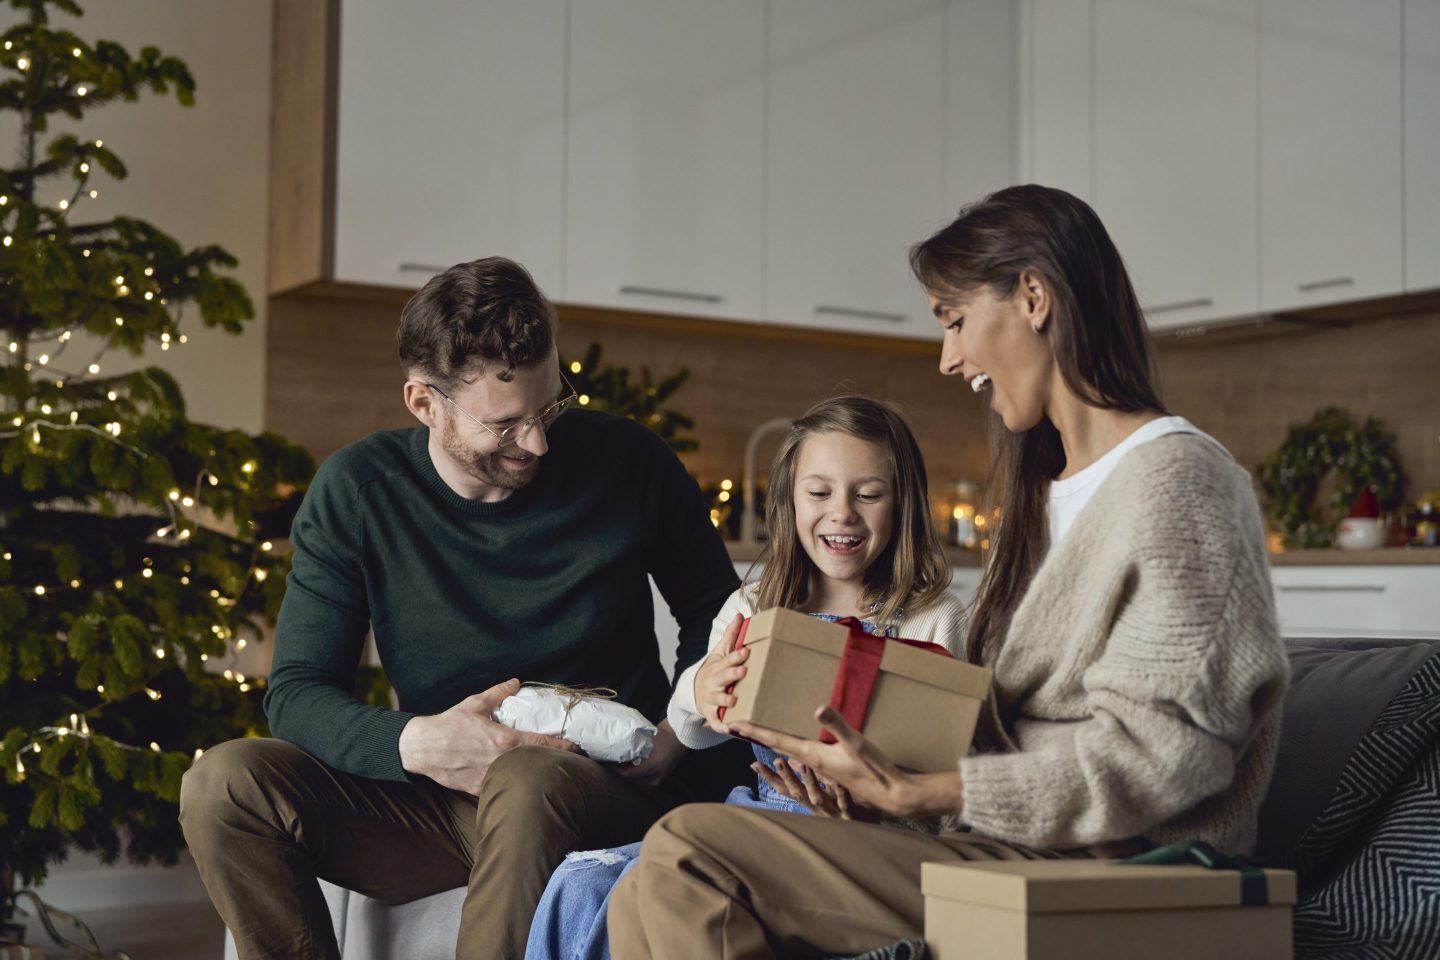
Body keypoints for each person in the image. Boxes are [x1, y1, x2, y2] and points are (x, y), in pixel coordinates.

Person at [607, 184, 1292, 959]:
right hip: (1013, 848)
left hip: (1124, 870)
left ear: (1033, 296)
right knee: (646, 881)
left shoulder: (1178, 483)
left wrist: (929, 792)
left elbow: (1167, 757)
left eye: (955, 319)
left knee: (691, 851)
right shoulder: (1047, 493)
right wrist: (879, 802)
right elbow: (1008, 737)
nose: (948, 357)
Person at [178, 256, 750, 960]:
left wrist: (675, 736)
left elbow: (724, 618)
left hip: (595, 793)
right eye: (507, 425)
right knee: (223, 783)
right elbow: (297, 694)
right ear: (425, 404)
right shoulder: (360, 491)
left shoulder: (629, 461)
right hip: (438, 801)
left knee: (528, 775)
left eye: (551, 408)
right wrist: (421, 743)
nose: (538, 442)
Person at [524, 395, 969, 960]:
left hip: (875, 838)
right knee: (582, 882)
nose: (843, 513)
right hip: (760, 815)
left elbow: (956, 774)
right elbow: (695, 726)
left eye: (869, 494)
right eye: (819, 492)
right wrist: (703, 692)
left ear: (902, 504)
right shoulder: (754, 606)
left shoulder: (935, 617)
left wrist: (884, 810)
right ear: (787, 500)